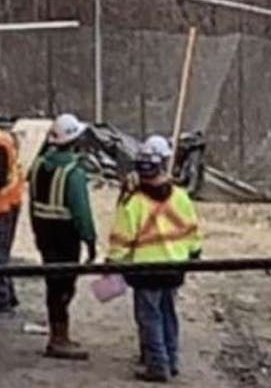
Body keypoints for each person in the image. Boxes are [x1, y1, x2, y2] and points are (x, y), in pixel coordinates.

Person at [109, 135, 202, 383]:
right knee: (168, 314)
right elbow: (192, 231)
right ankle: (171, 361)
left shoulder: (134, 202)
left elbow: (122, 238)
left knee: (149, 318)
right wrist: (194, 253)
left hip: (145, 269)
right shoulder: (180, 197)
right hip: (174, 267)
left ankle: (157, 365)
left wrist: (114, 262)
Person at [27, 113, 96, 359]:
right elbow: (82, 212)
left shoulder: (36, 166)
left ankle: (57, 334)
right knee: (64, 285)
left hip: (44, 233)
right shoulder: (73, 172)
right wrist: (91, 241)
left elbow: (32, 203)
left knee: (52, 284)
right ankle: (59, 338)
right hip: (65, 235)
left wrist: (36, 232)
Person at [0, 125, 25, 315]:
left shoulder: (1, 143)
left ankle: (3, 299)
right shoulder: (4, 139)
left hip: (3, 205)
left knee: (1, 254)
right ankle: (8, 295)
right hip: (9, 202)